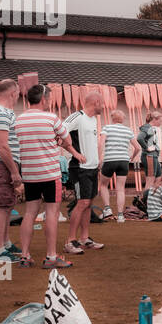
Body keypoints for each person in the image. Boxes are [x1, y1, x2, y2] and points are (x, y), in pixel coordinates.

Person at [15, 84, 81, 268]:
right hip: (50, 174)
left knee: (29, 214)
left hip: (29, 173)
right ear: (43, 99)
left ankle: (25, 256)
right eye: (49, 99)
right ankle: (51, 256)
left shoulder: (19, 120)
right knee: (51, 214)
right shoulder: (51, 118)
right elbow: (67, 140)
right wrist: (56, 139)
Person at [0, 79, 24, 259]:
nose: (18, 97)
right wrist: (15, 172)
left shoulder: (5, 112)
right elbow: (3, 147)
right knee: (2, 206)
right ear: (12, 93)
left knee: (8, 205)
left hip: (5, 163)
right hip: (2, 164)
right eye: (17, 94)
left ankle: (6, 243)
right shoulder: (0, 113)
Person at [63, 92, 105, 257]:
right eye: (102, 103)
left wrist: (97, 161)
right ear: (96, 102)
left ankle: (84, 238)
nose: (104, 107)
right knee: (82, 203)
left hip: (93, 167)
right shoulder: (77, 117)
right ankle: (70, 241)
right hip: (79, 168)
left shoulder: (93, 119)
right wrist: (75, 153)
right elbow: (60, 133)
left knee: (89, 203)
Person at [97, 109, 141, 222]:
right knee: (120, 188)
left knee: (103, 185)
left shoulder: (107, 128)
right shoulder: (128, 130)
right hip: (123, 161)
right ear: (122, 119)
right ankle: (120, 215)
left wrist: (98, 158)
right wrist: (132, 157)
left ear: (112, 118)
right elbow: (137, 147)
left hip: (110, 160)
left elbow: (101, 143)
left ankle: (107, 209)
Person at [137, 110, 162, 189]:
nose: (161, 123)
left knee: (159, 177)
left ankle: (153, 198)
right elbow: (139, 138)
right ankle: (145, 200)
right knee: (150, 180)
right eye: (160, 121)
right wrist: (147, 148)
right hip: (149, 156)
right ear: (155, 119)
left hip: (154, 156)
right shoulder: (147, 127)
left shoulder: (153, 128)